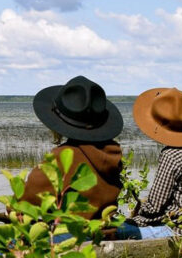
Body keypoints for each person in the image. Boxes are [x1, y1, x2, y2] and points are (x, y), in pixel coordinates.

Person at [118, 87, 182, 237]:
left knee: (114, 230)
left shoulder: (171, 155)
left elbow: (154, 207)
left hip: (175, 231)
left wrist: (134, 218)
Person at [21, 75, 124, 218]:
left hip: (69, 235)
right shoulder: (112, 153)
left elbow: (26, 202)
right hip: (107, 232)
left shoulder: (63, 156)